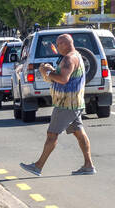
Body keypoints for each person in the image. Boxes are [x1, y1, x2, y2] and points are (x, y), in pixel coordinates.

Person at [20, 34, 96, 176]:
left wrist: (47, 72)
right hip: (75, 103)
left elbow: (63, 79)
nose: (56, 48)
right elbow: (64, 75)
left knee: (52, 134)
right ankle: (88, 165)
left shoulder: (68, 59)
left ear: (63, 44)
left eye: (57, 44)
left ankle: (38, 166)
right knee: (79, 133)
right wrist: (51, 70)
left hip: (66, 104)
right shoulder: (77, 55)